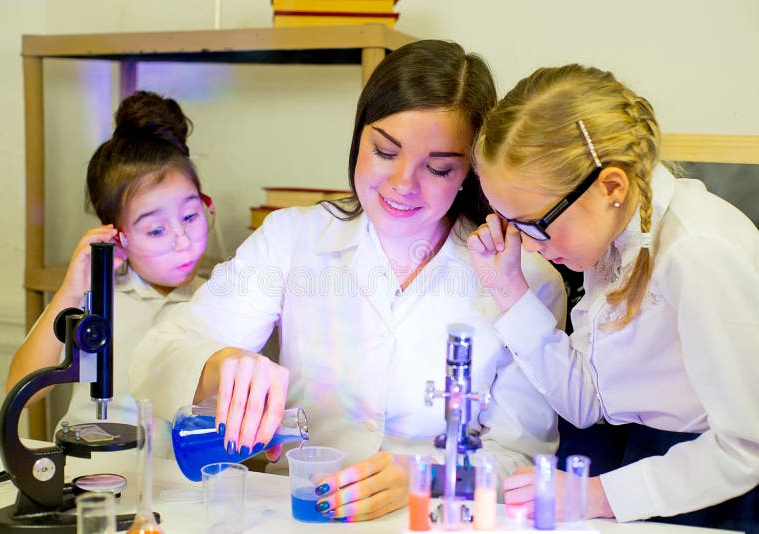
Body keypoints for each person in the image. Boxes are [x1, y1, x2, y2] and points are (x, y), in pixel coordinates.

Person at [131, 39, 567, 521]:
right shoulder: (294, 237)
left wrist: (429, 473)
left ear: (470, 172)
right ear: (358, 137)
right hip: (298, 515)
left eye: (439, 167)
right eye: (385, 151)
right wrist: (219, 363)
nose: (404, 183)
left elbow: (523, 459)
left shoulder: (525, 280)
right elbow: (157, 354)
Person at [468, 63, 759, 532]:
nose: (526, 244)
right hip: (648, 463)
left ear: (611, 187)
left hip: (721, 490)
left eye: (533, 224)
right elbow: (586, 400)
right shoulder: (614, 239)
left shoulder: (697, 253)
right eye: (507, 222)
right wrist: (508, 289)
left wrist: (597, 495)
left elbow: (747, 446)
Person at [6, 90, 211, 457]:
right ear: (116, 234)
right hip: (90, 475)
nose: (182, 240)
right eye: (157, 230)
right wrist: (70, 292)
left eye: (191, 216)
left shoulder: (222, 301)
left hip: (179, 491)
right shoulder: (96, 298)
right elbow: (22, 392)